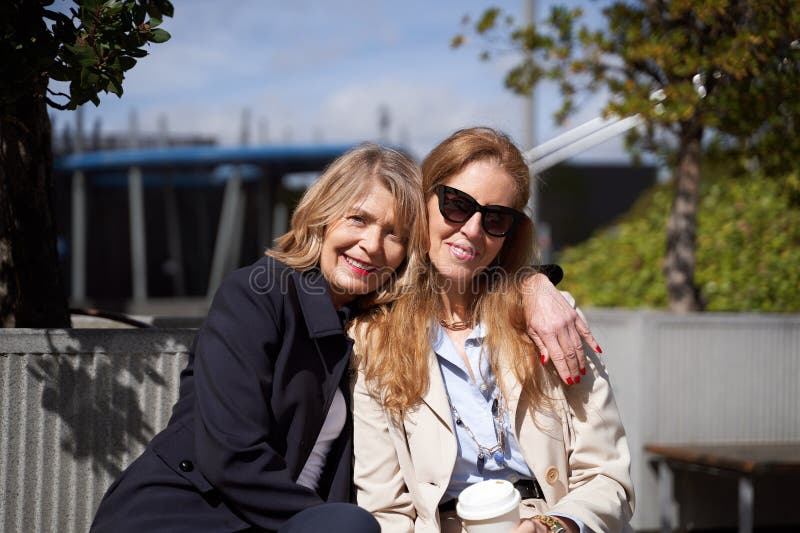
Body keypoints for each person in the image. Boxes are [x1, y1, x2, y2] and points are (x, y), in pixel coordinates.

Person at [90, 141, 589, 532]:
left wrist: (533, 282)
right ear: (323, 214)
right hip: (186, 516)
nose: (371, 245)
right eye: (359, 218)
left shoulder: (374, 324)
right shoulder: (257, 295)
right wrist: (336, 524)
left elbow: (473, 268)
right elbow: (231, 455)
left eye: (394, 233)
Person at [352, 128, 635, 533]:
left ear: (511, 232)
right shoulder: (374, 340)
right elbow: (387, 509)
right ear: (424, 203)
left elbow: (608, 475)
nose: (471, 229)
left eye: (495, 217)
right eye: (456, 205)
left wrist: (554, 526)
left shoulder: (553, 319)